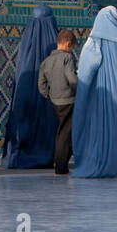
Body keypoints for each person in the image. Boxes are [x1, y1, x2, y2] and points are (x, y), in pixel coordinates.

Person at [71, 7, 117, 178]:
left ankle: (96, 161)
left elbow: (85, 72)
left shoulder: (93, 43)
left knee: (97, 129)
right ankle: (114, 163)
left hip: (99, 96)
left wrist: (83, 94)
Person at [5, 4, 61, 169]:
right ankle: (48, 154)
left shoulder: (26, 42)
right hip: (50, 93)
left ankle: (19, 153)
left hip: (27, 89)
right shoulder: (54, 41)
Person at [38, 29, 78, 174]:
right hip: (68, 100)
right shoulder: (67, 58)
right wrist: (79, 90)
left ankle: (59, 161)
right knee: (65, 134)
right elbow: (72, 79)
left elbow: (41, 83)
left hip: (55, 101)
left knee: (63, 131)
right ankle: (61, 167)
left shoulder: (46, 61)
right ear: (68, 44)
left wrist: (47, 94)